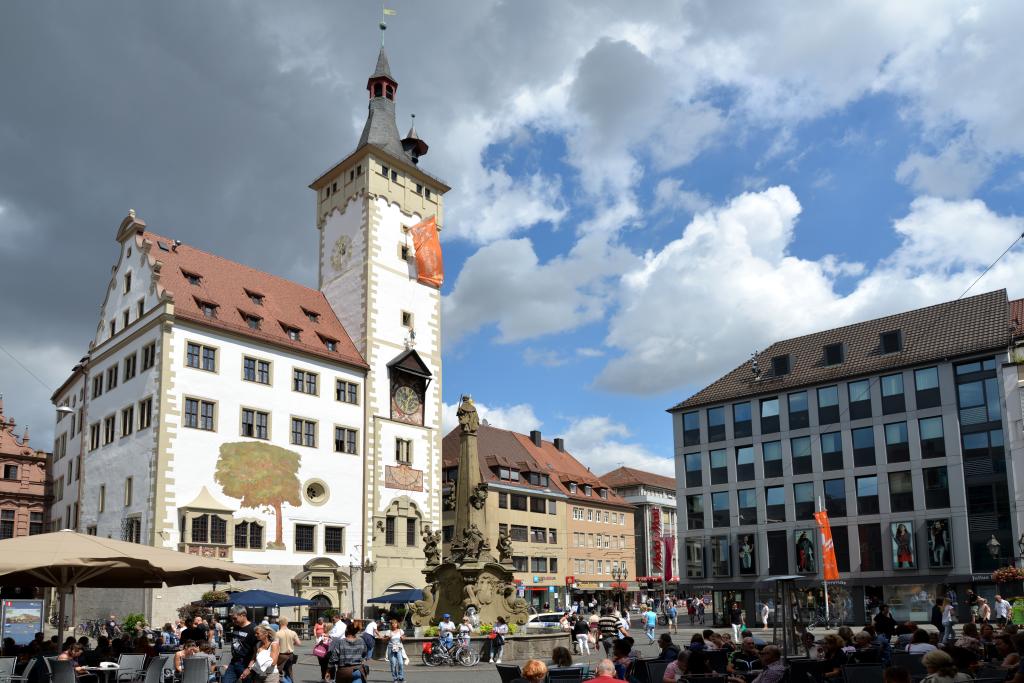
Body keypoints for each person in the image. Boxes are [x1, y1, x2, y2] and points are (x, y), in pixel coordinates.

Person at [222, 606, 258, 683]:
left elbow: (257, 651)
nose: (233, 620)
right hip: (234, 662)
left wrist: (249, 668)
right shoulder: (235, 626)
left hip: (246, 663)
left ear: (243, 615)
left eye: (235, 618)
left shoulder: (253, 629)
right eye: (232, 618)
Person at [378, 619, 405, 683]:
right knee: (393, 664)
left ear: (397, 624)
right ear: (391, 625)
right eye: (392, 623)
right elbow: (383, 640)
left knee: (401, 663)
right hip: (391, 648)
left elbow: (404, 638)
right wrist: (388, 638)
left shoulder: (400, 631)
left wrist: (402, 638)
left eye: (395, 623)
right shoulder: (388, 632)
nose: (394, 624)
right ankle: (395, 678)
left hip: (398, 648)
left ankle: (400, 677)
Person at [275, 617, 300, 683]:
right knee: (289, 671)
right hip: (291, 655)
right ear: (287, 623)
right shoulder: (293, 632)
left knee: (278, 672)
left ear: (279, 623)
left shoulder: (277, 633)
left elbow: (276, 645)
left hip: (281, 655)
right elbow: (299, 643)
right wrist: (291, 643)